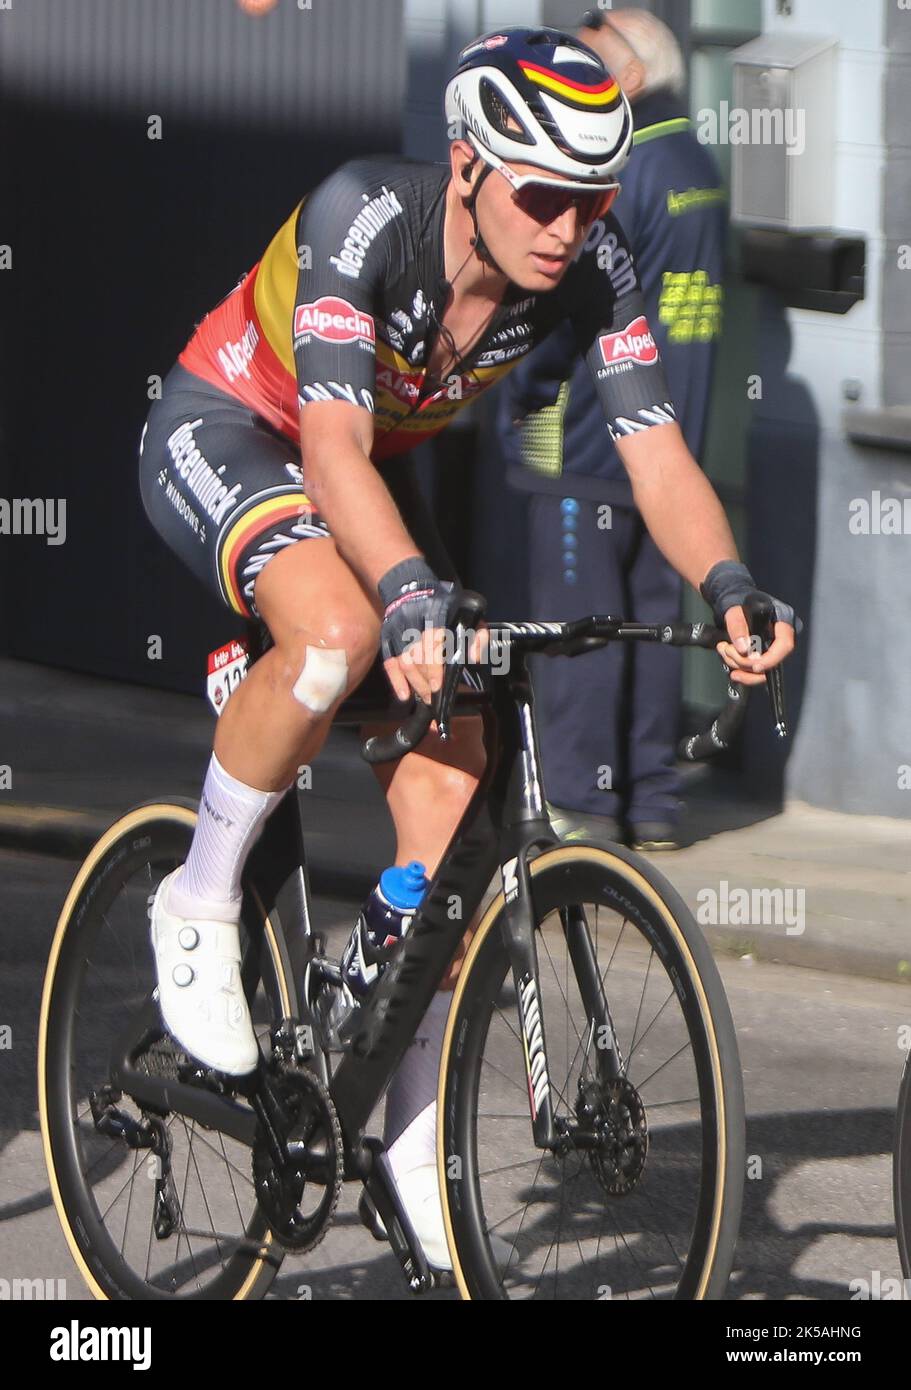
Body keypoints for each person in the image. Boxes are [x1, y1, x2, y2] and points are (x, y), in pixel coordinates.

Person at [138, 26, 796, 1269]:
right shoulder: (361, 214)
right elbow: (327, 448)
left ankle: (403, 1124)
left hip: (371, 470)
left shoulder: (589, 263)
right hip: (236, 427)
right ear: (464, 170)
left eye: (588, 198)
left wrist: (725, 584)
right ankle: (198, 895)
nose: (565, 226)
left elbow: (655, 454)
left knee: (458, 782)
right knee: (335, 632)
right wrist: (400, 596)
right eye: (540, 195)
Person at [499, 9, 727, 851]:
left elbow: (566, 308)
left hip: (587, 445)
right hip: (671, 445)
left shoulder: (621, 173)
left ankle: (573, 804)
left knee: (577, 635)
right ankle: (651, 801)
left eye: (590, 60)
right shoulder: (696, 163)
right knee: (652, 629)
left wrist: (517, 389)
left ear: (629, 77)